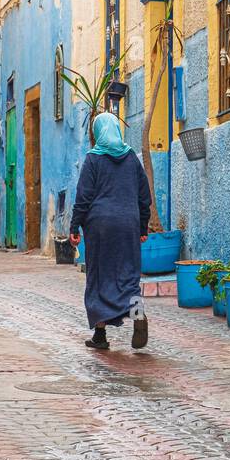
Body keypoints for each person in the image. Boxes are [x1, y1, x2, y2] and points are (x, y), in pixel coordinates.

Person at [69, 113, 151, 351]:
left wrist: (75, 227)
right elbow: (144, 196)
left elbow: (83, 197)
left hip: (100, 227)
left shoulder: (93, 160)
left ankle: (100, 335)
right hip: (128, 224)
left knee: (98, 277)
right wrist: (142, 226)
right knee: (129, 274)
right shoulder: (131, 158)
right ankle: (138, 316)